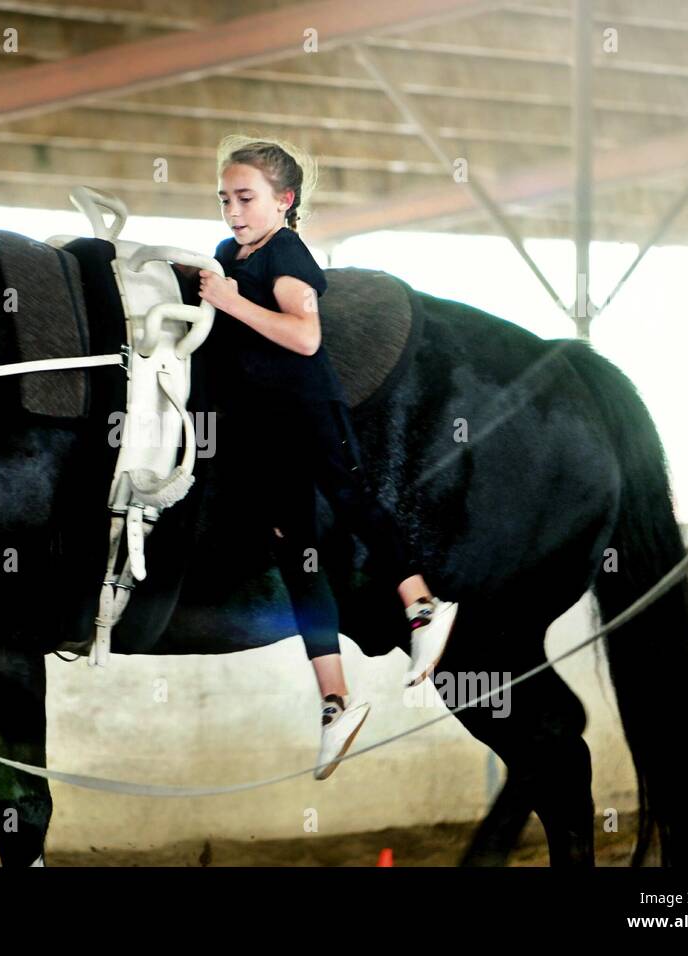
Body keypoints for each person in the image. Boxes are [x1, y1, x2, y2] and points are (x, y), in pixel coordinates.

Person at [196, 136, 458, 780]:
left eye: (247, 198)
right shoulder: (230, 253)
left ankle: (423, 605)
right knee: (293, 550)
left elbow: (305, 335)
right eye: (226, 198)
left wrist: (229, 300)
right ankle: (336, 701)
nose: (233, 210)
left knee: (350, 498)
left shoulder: (286, 253)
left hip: (305, 410)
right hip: (258, 428)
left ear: (283, 202)